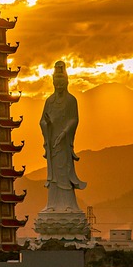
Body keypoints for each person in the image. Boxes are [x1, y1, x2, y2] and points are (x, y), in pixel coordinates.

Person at [40, 61, 86, 210]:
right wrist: (47, 124)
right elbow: (42, 121)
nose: (59, 86)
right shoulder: (49, 101)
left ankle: (68, 204)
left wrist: (65, 132)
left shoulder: (71, 100)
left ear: (66, 82)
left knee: (64, 170)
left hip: (64, 142)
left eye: (61, 82)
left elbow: (74, 119)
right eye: (56, 82)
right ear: (53, 82)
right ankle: (52, 204)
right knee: (53, 174)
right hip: (52, 140)